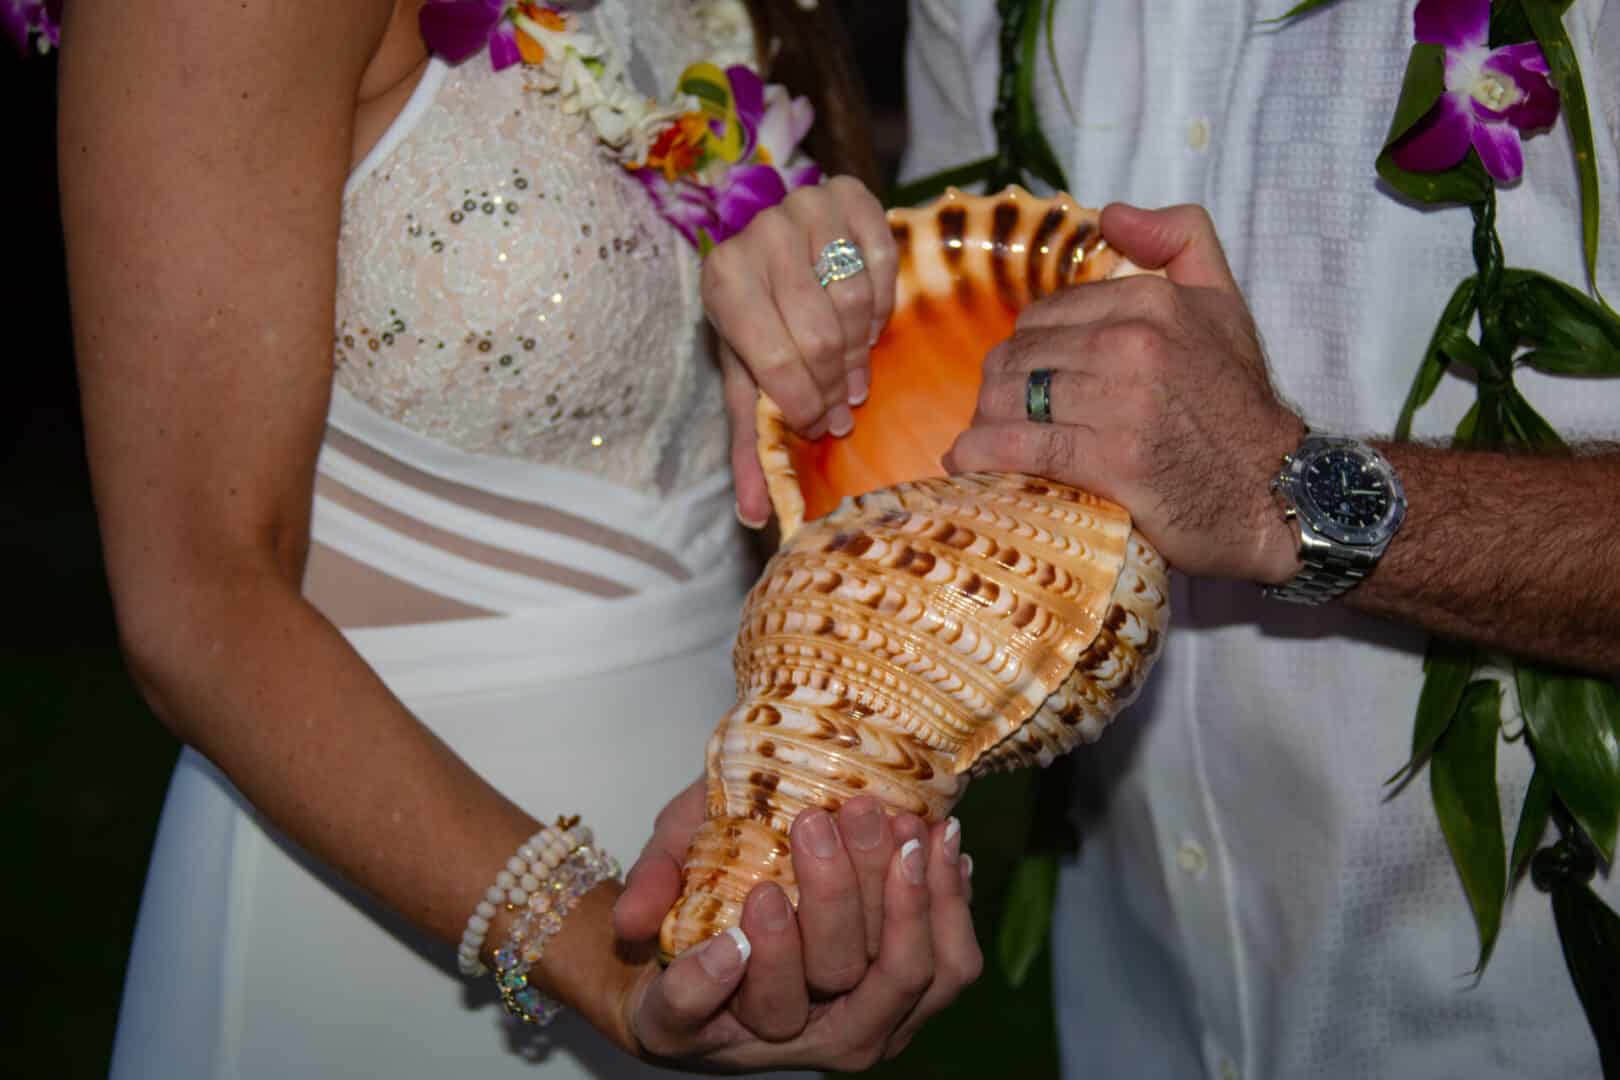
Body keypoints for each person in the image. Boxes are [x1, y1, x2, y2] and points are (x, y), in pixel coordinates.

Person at [61, 1, 978, 1076]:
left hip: (725, 892)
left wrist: (835, 265)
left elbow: (791, 427)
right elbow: (196, 598)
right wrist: (596, 952)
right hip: (378, 923)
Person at [895, 0, 1620, 1076]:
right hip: (1130, 998)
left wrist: (1293, 498)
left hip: (1525, 1020)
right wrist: (833, 280)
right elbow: (948, 331)